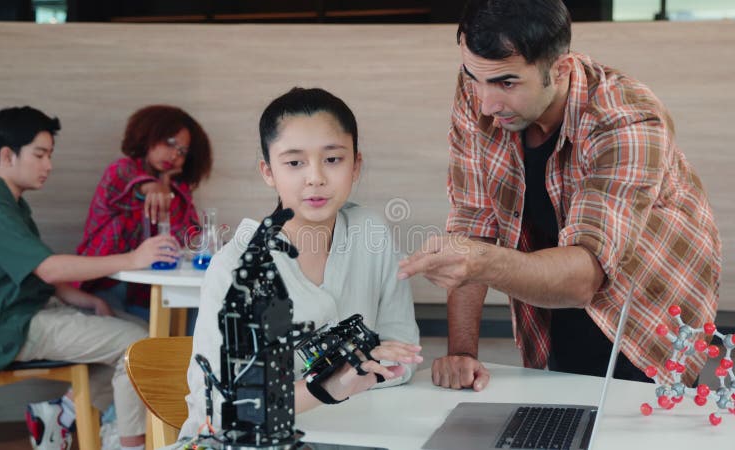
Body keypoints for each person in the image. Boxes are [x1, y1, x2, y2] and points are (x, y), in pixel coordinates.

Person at [398, 0, 720, 391]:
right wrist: (462, 353)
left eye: (507, 83)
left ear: (561, 68)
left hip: (647, 307)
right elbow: (473, 222)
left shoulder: (627, 119)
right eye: (474, 78)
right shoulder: (481, 86)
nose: (486, 103)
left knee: (632, 422)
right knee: (565, 411)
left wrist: (481, 262)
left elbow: (585, 276)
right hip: (553, 287)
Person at [178, 87, 422, 439]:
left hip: (352, 432)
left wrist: (358, 373)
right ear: (268, 171)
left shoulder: (372, 233)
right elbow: (220, 409)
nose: (316, 177)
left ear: (356, 166)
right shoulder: (235, 268)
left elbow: (404, 357)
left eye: (333, 159)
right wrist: (327, 386)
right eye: (294, 162)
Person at [0, 106, 181, 450]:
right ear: (8, 155)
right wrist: (134, 258)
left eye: (50, 155)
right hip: (13, 327)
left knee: (140, 334)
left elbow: (37, 270)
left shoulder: (7, 202)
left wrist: (89, 299)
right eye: (40, 155)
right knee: (139, 347)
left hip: (25, 314)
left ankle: (63, 413)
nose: (48, 166)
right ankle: (132, 444)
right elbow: (49, 268)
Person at [76, 105, 213, 317]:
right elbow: (134, 185)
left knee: (201, 312)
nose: (174, 154)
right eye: (170, 143)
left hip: (149, 291)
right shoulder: (121, 170)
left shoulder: (178, 191)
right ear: (149, 135)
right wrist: (153, 186)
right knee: (148, 338)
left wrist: (165, 184)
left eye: (182, 151)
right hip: (106, 283)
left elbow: (184, 241)